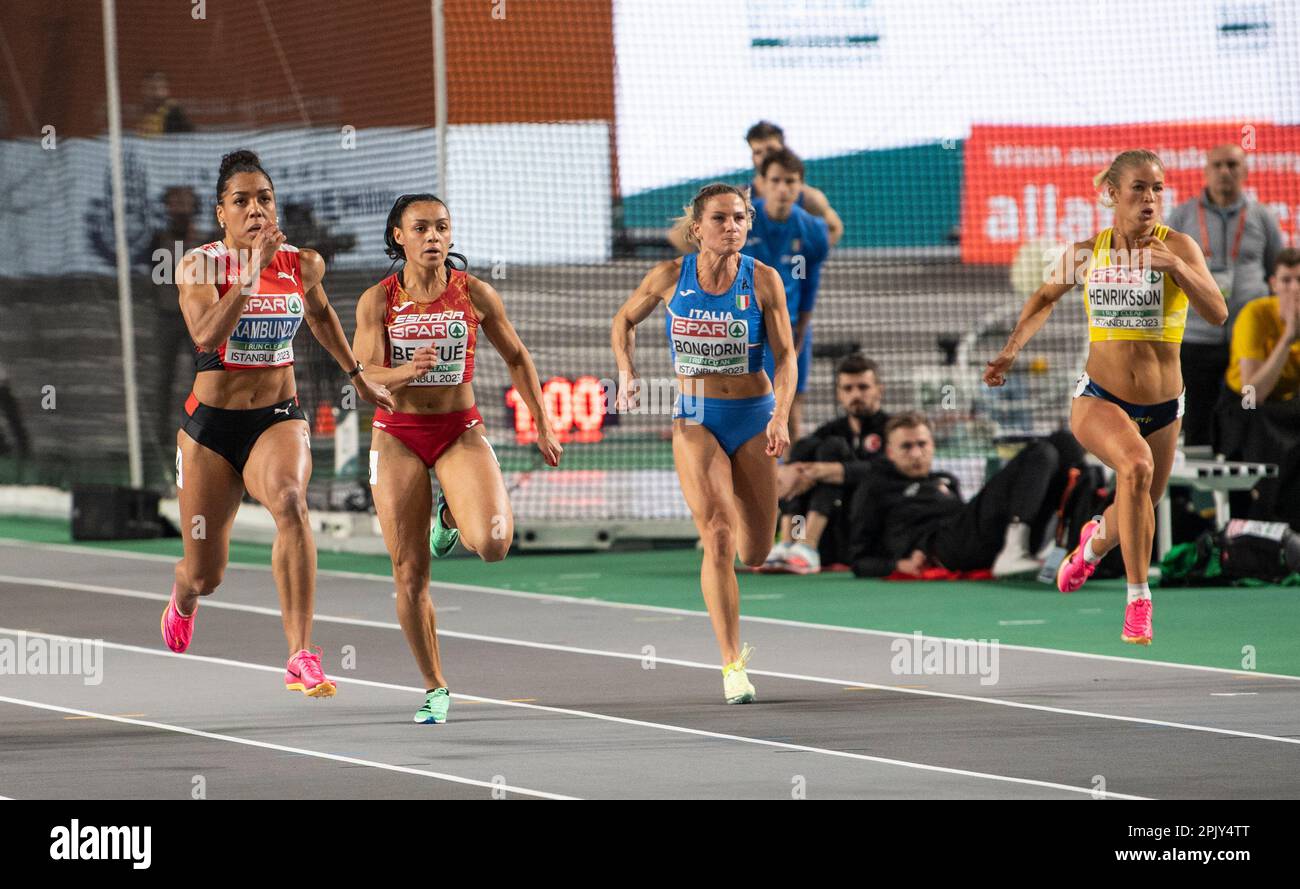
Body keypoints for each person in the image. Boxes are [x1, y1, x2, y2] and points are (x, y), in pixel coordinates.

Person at [161, 149, 394, 697]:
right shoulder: (200, 266)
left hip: (276, 418)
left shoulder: (302, 264)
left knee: (291, 502)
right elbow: (206, 337)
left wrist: (356, 373)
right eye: (241, 201)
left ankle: (299, 653)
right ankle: (184, 593)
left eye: (264, 198)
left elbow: (319, 314)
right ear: (222, 214)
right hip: (211, 431)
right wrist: (247, 273)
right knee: (206, 573)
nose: (255, 209)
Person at [985, 149, 1225, 645]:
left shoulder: (1178, 246)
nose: (1151, 198)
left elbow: (1218, 313)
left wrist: (1178, 267)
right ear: (1112, 193)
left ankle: (1092, 545)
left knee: (1141, 503)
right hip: (1099, 397)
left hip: (1164, 405)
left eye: (1158, 188)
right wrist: (1010, 350)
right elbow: (1042, 300)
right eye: (1139, 187)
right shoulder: (1085, 253)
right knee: (1135, 469)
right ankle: (1139, 601)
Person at [352, 194, 562, 724]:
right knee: (409, 573)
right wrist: (406, 372)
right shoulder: (378, 301)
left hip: (457, 429)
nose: (433, 237)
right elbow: (363, 375)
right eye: (420, 228)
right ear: (399, 236)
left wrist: (542, 420)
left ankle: (448, 515)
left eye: (441, 227)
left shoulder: (474, 294)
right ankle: (435, 687)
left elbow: (516, 355)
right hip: (397, 434)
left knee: (493, 542)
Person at [613, 183, 796, 704]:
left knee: (756, 551)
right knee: (716, 533)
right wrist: (627, 370)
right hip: (695, 414)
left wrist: (781, 415)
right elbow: (624, 319)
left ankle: (744, 523)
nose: (731, 226)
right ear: (698, 228)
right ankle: (731, 664)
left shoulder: (764, 281)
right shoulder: (670, 277)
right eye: (720, 218)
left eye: (740, 218)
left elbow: (785, 358)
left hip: (755, 413)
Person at [847, 413, 1073, 579]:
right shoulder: (876, 487)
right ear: (889, 452)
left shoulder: (945, 479)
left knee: (1065, 444)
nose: (916, 453)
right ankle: (1014, 550)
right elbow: (859, 560)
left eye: (922, 444)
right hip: (941, 547)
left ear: (932, 446)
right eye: (906, 446)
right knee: (1040, 452)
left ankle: (1071, 552)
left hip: (978, 538)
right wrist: (897, 564)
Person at [1165, 143, 1284, 446]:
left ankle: (1246, 491)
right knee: (1196, 419)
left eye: (1232, 164)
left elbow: (1275, 273)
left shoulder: (1263, 217)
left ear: (1244, 171)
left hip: (1248, 338)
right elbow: (1167, 275)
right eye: (1217, 165)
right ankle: (1190, 494)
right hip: (1196, 337)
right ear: (1205, 172)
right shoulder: (1182, 217)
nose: (1224, 172)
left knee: (1246, 412)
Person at [764, 353, 889, 574]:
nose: (856, 394)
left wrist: (829, 471)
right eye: (848, 389)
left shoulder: (892, 429)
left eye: (863, 387)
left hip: (867, 520)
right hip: (831, 523)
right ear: (839, 394)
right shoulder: (831, 429)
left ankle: (807, 545)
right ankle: (789, 542)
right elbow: (795, 469)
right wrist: (801, 471)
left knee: (832, 449)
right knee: (804, 447)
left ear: (879, 389)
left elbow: (888, 471)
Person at [741, 147, 831, 442]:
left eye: (791, 181)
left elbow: (808, 281)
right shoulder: (741, 223)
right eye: (776, 180)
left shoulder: (813, 230)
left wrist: (801, 328)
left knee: (790, 408)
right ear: (763, 184)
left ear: (800, 186)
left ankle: (789, 479)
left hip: (787, 328)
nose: (783, 188)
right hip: (743, 329)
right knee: (749, 407)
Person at [1217, 248, 1300, 527]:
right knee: (1258, 417)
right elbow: (1253, 393)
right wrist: (1288, 338)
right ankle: (1266, 517)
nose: (1294, 288)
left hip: (1285, 409)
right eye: (1287, 280)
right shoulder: (1254, 315)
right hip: (1244, 407)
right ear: (1273, 284)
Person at [137, 71, 194, 135]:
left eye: (162, 88)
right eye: (151, 88)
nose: (157, 93)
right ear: (143, 90)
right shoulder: (139, 113)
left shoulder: (174, 113)